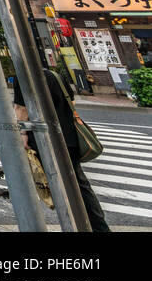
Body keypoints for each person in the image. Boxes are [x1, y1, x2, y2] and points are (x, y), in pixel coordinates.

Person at [13, 69, 110, 232]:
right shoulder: (55, 75)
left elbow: (21, 109)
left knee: (57, 184)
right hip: (69, 136)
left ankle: (76, 224)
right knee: (79, 184)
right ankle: (97, 226)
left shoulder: (23, 75)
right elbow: (70, 102)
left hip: (44, 139)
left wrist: (22, 133)